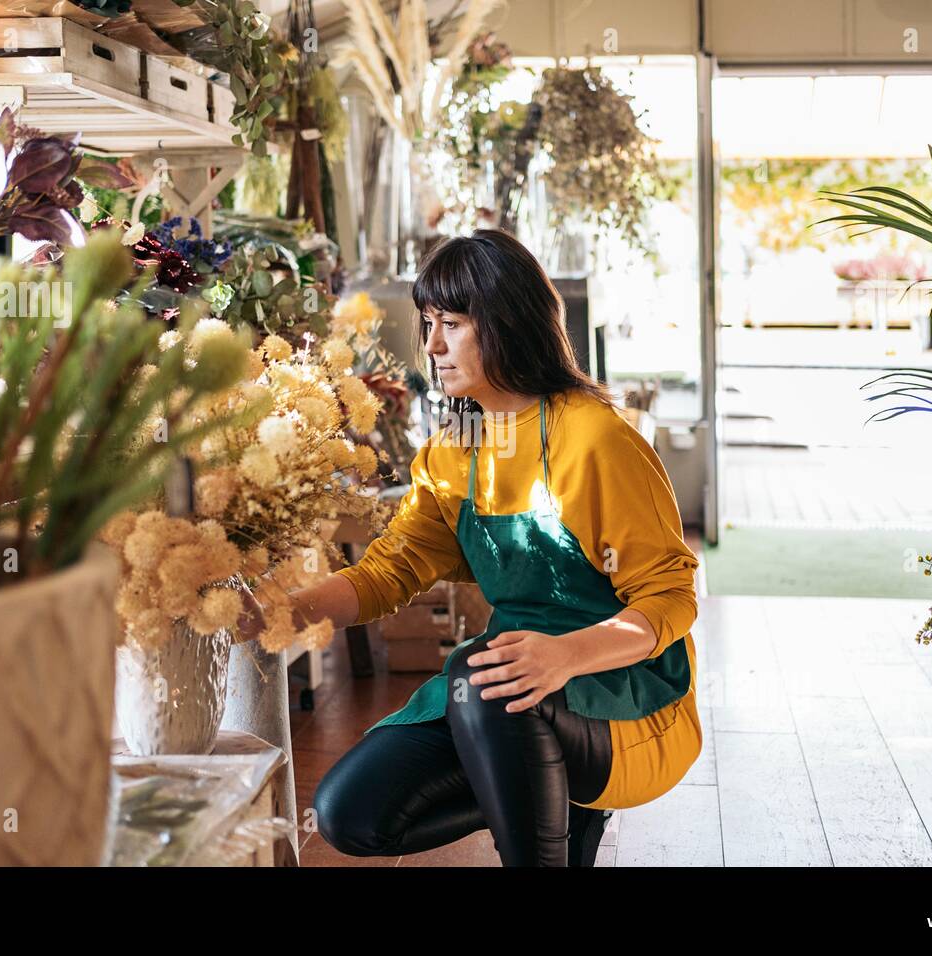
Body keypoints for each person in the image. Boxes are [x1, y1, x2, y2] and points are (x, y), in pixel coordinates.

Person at [238, 229, 703, 867]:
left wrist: (566, 655)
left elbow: (672, 596)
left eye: (451, 323)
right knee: (351, 813)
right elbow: (389, 572)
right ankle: (545, 793)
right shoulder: (452, 452)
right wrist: (279, 613)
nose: (431, 345)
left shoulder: (596, 439)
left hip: (623, 690)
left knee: (480, 677)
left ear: (508, 323)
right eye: (428, 323)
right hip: (512, 689)